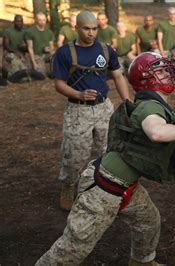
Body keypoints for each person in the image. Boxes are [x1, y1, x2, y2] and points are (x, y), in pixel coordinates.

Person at [36, 50, 175, 265]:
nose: (169, 74)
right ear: (149, 79)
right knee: (73, 248)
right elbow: (157, 133)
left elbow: (169, 150)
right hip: (104, 189)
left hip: (124, 185)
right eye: (161, 71)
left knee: (148, 221)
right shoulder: (149, 106)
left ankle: (141, 262)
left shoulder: (154, 104)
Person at [52, 11, 130, 211]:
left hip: (104, 108)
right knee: (75, 153)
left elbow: (118, 77)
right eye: (86, 28)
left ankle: (110, 188)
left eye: (94, 29)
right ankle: (69, 187)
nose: (91, 33)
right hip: (78, 111)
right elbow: (59, 84)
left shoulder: (106, 50)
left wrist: (128, 102)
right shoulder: (64, 52)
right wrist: (78, 95)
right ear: (77, 28)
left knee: (110, 150)